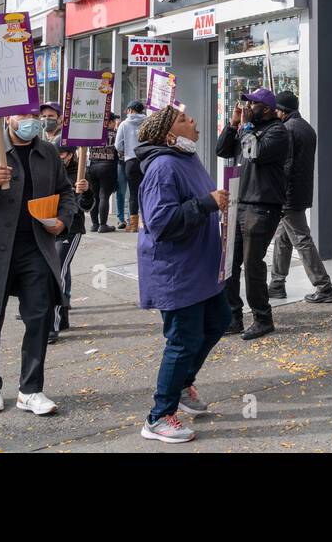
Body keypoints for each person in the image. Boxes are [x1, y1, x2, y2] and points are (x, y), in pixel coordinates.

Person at [0, 106, 75, 416]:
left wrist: (63, 219)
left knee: (39, 315)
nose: (32, 122)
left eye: (36, 116)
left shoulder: (47, 151)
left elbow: (65, 192)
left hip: (35, 245)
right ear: (8, 118)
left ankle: (30, 389)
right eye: (24, 116)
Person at [135, 104, 231, 444]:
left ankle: (183, 382)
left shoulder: (187, 159)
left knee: (219, 320)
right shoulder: (162, 167)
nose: (193, 120)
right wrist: (207, 203)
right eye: (183, 119)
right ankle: (159, 416)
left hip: (201, 267)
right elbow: (161, 223)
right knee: (183, 340)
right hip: (176, 272)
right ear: (169, 135)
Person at [216, 87, 289, 340]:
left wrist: (246, 128)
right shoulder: (247, 129)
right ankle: (233, 316)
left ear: (267, 109)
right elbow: (222, 150)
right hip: (239, 201)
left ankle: (262, 317)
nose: (247, 108)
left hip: (262, 205)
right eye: (246, 104)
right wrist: (233, 123)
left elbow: (254, 153)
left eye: (253, 104)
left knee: (252, 263)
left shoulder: (278, 131)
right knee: (228, 262)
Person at [268, 92, 332, 304]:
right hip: (301, 191)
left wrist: (277, 191)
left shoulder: (287, 129)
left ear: (282, 111)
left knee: (301, 239)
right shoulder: (306, 127)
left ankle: (324, 286)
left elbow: (286, 165)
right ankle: (277, 284)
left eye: (276, 110)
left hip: (289, 195)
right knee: (282, 238)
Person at [52, 144, 96, 344]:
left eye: (62, 154)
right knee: (59, 268)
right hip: (50, 227)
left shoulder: (80, 174)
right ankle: (62, 314)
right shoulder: (50, 171)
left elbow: (86, 206)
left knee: (57, 270)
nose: (59, 157)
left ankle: (53, 324)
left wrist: (85, 192)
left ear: (70, 155)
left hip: (71, 229)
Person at [116, 102, 147, 232]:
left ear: (130, 110)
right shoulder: (148, 122)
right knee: (146, 192)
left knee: (133, 193)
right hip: (146, 161)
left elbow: (118, 145)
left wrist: (125, 151)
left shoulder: (124, 124)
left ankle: (133, 226)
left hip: (131, 161)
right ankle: (146, 222)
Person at [87, 121, 120, 233]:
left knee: (94, 196)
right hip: (108, 166)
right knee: (104, 196)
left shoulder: (93, 133)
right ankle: (103, 225)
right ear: (110, 122)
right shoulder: (114, 134)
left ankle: (94, 224)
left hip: (93, 166)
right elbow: (119, 148)